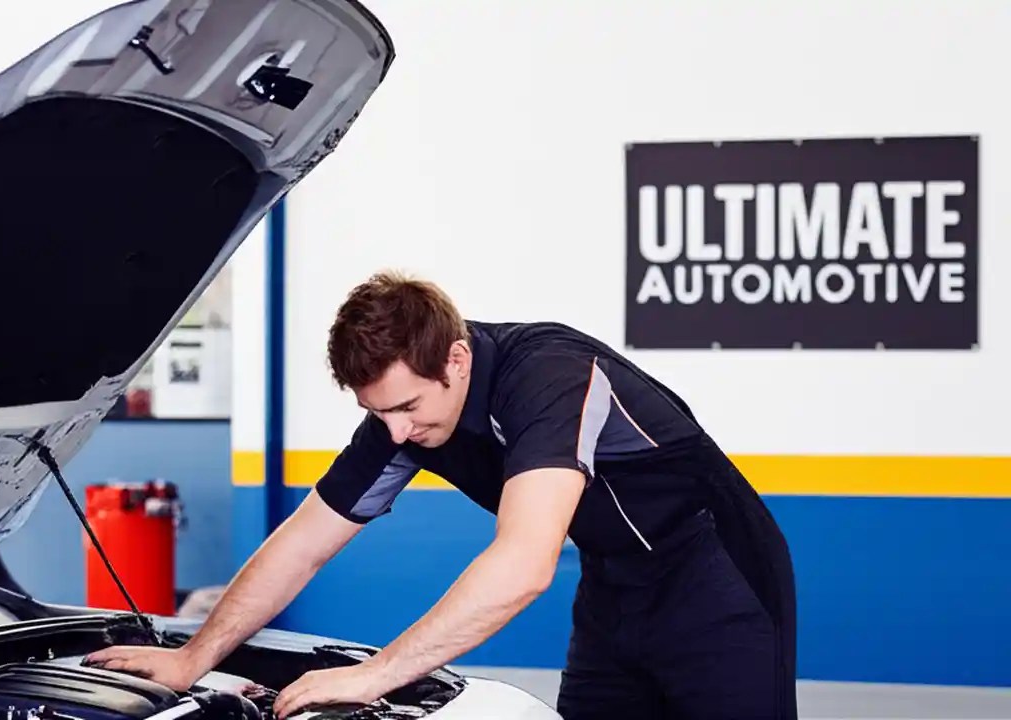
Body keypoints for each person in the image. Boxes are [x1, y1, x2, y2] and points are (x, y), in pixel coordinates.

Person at [85, 271, 798, 719]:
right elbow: (302, 544)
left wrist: (376, 675)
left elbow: (523, 564)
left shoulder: (550, 376)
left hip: (716, 583)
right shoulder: (403, 419)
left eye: (407, 405)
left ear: (455, 358)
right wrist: (192, 659)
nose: (396, 429)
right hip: (615, 591)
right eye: (378, 412)